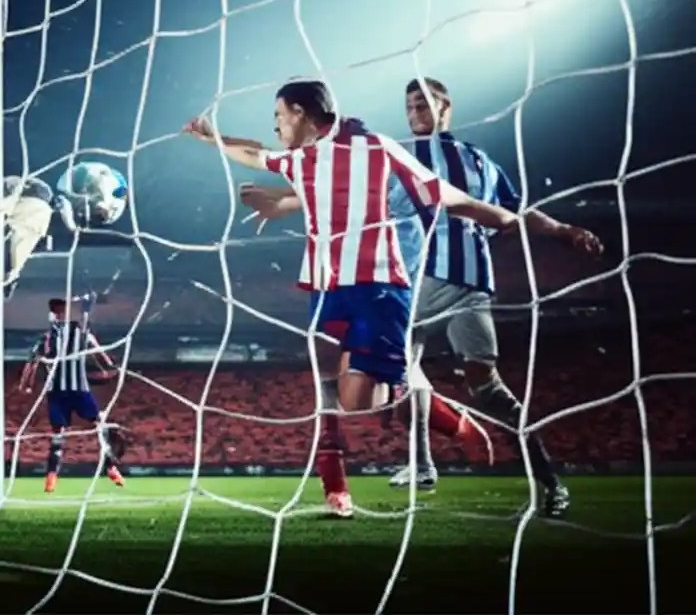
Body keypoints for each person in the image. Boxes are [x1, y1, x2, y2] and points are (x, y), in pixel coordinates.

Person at [241, 77, 602, 518]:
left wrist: (562, 230)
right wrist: (280, 203)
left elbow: (509, 211)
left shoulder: (479, 163)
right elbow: (332, 189)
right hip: (404, 284)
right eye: (409, 105)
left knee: (485, 388)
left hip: (466, 284)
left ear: (445, 107)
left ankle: (547, 478)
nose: (415, 112)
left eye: (424, 104)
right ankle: (416, 464)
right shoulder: (387, 153)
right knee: (380, 378)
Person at [185, 79, 520, 516]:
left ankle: (441, 411)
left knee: (360, 399)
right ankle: (338, 481)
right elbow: (254, 155)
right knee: (332, 386)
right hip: (328, 288)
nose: (276, 128)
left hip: (380, 286)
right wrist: (213, 139)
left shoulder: (375, 149)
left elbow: (449, 198)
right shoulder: (303, 159)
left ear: (302, 113)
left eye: (279, 117)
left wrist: (529, 223)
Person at [19, 294, 127, 493]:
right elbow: (34, 360)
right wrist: (27, 382)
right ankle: (52, 475)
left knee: (99, 427)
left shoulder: (74, 332)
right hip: (59, 391)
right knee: (60, 434)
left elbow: (98, 350)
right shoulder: (53, 336)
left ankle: (110, 467)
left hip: (78, 389)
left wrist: (110, 366)